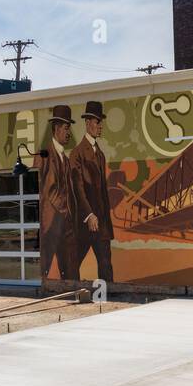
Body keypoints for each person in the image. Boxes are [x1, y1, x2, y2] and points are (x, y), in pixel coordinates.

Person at [70, 100, 114, 281]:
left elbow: (102, 191)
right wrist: (89, 215)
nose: (100, 126)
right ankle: (71, 292)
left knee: (105, 263)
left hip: (101, 222)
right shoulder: (78, 153)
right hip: (85, 223)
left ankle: (109, 296)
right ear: (88, 123)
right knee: (73, 262)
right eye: (97, 122)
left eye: (100, 122)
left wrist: (103, 217)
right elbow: (77, 187)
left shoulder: (100, 154)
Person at [39, 105, 80, 280]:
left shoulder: (64, 156)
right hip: (52, 224)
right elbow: (50, 189)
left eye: (69, 128)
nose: (68, 132)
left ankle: (73, 290)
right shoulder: (47, 154)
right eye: (65, 128)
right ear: (56, 129)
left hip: (65, 225)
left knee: (71, 268)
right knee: (44, 269)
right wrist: (66, 210)